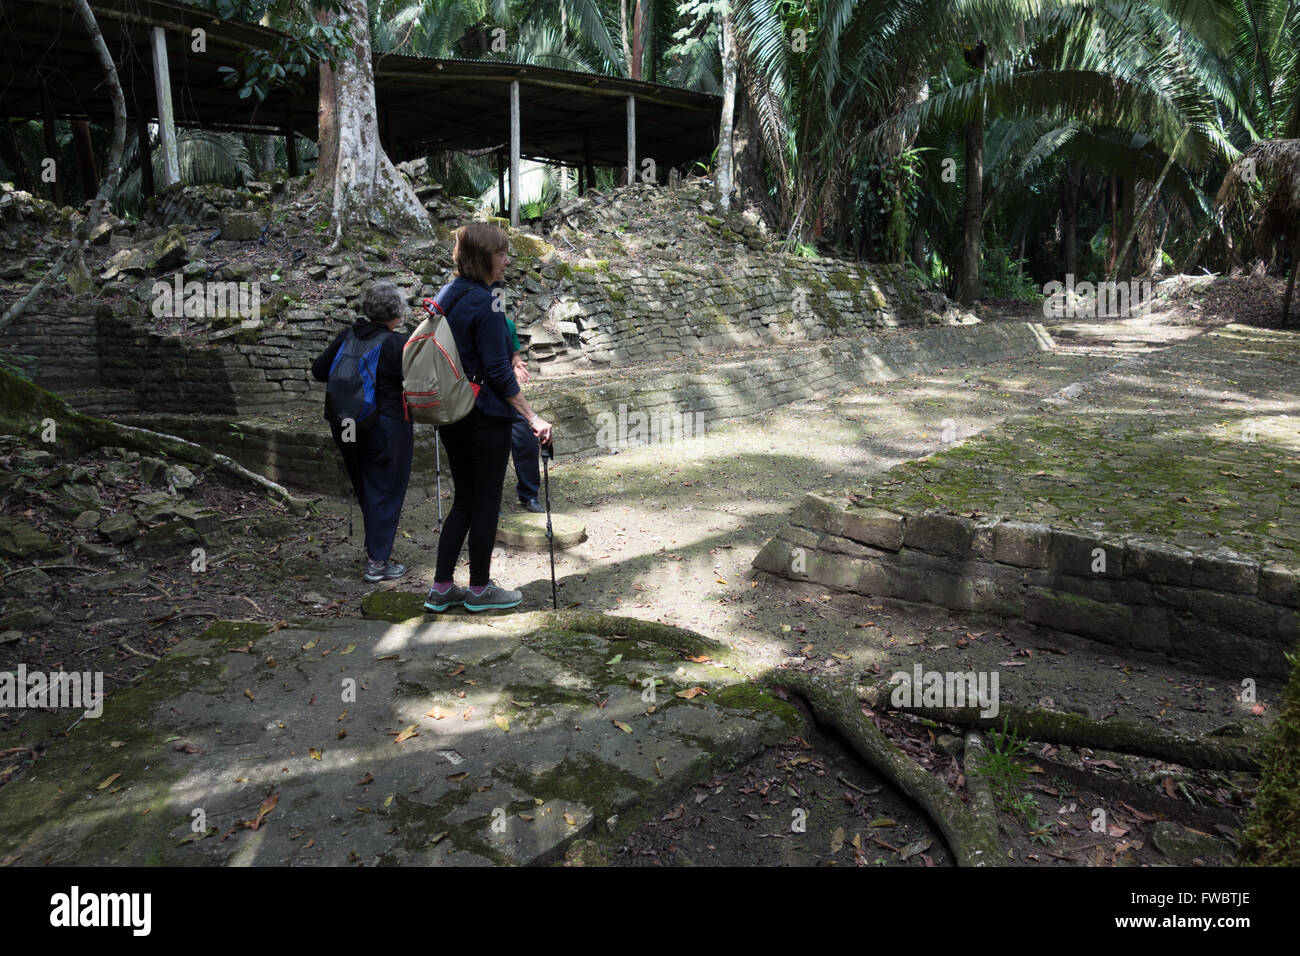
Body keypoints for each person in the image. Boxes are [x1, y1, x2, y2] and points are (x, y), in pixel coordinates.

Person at [424, 224, 552, 613]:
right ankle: (479, 589)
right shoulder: (487, 300)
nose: (508, 260)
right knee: (485, 501)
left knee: (465, 497)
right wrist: (532, 416)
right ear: (482, 258)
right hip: (484, 416)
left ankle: (442, 587)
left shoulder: (448, 294)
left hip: (451, 411)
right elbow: (498, 370)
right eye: (501, 253)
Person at [311, 281, 414, 583]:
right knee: (386, 487)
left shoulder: (349, 334)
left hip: (344, 423)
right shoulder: (397, 343)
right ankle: (377, 563)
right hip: (384, 425)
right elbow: (417, 381)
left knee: (366, 484)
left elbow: (319, 370)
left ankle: (375, 549)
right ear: (397, 311)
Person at [493, 281, 543, 513]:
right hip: (486, 395)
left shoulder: (508, 325)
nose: (498, 304)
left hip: (510, 393)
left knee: (526, 440)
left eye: (501, 300)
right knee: (492, 450)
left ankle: (528, 494)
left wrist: (517, 364)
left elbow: (512, 354)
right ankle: (490, 501)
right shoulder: (478, 323)